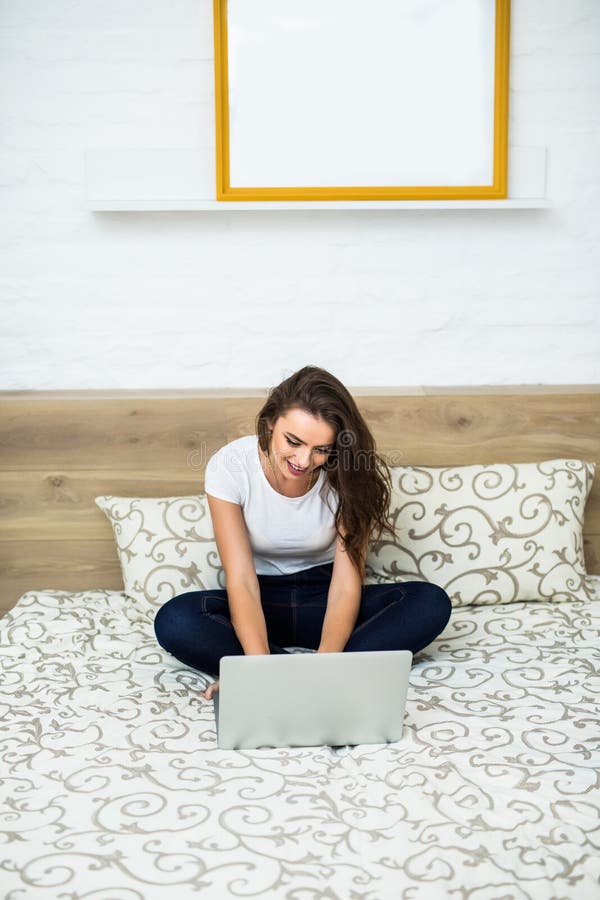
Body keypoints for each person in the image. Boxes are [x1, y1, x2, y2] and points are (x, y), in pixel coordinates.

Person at [153, 365, 451, 701]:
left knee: (429, 603)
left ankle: (313, 676)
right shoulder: (230, 466)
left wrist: (326, 660)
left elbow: (345, 586)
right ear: (269, 423)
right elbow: (241, 581)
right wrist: (257, 670)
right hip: (259, 598)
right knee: (176, 621)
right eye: (293, 441)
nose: (304, 460)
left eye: (321, 449)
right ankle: (307, 676)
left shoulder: (350, 475)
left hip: (326, 599)